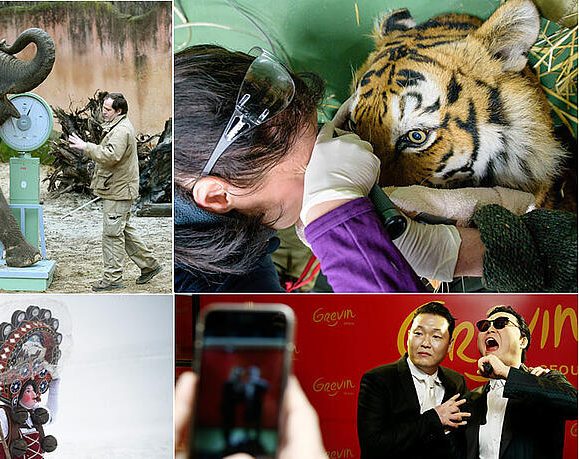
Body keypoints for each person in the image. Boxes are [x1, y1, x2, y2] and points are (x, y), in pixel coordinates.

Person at [173, 45, 487, 293]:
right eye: (308, 166)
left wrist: (437, 250)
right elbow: (395, 333)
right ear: (216, 195)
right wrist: (336, 219)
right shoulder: (231, 294)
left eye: (320, 132)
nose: (325, 156)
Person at [68, 92, 162, 291]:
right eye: (103, 108)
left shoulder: (121, 131)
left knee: (111, 235)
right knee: (122, 228)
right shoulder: (119, 126)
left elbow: (111, 155)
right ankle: (149, 265)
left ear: (119, 111)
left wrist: (86, 147)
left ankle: (112, 278)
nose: (103, 112)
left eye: (107, 109)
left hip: (119, 190)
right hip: (118, 188)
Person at [357, 302, 469, 458]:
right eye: (418, 333)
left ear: (450, 344)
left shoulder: (456, 382)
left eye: (436, 336)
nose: (425, 343)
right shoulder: (378, 380)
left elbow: (461, 442)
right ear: (408, 336)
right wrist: (434, 419)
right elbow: (373, 445)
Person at [464, 305, 578, 458]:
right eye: (484, 326)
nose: (489, 330)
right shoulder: (471, 398)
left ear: (522, 341)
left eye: (501, 323)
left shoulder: (545, 379)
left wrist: (507, 373)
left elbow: (574, 404)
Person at [175, 371, 328, 459]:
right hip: (230, 412)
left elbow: (262, 388)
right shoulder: (232, 384)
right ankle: (229, 444)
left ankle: (252, 443)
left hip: (255, 412)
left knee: (254, 430)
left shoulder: (257, 384)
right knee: (229, 430)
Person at [0, 363, 60, 459]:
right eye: (28, 391)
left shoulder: (34, 414)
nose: (34, 394)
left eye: (34, 390)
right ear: (17, 395)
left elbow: (52, 417)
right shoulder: (2, 416)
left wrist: (55, 385)